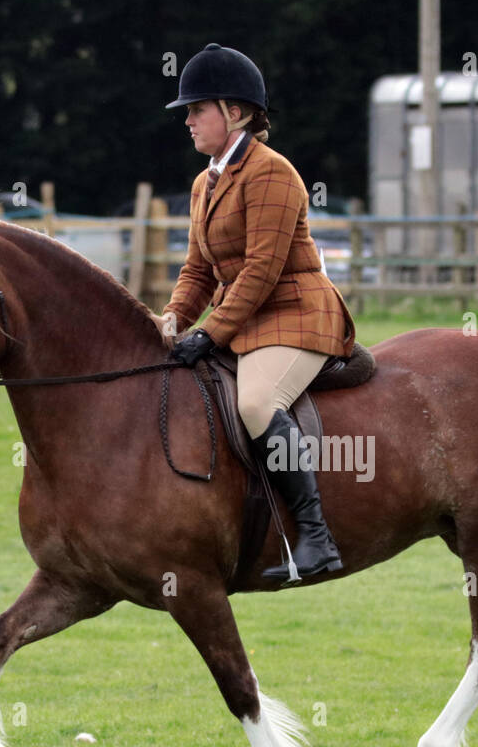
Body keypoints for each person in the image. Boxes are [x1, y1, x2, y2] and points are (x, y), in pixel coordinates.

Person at [152, 43, 356, 582]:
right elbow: (198, 270)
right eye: (188, 112)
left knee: (259, 403)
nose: (188, 121)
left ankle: (316, 539)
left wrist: (211, 332)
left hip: (295, 312)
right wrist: (173, 320)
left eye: (197, 110)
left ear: (235, 113)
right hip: (249, 316)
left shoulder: (272, 173)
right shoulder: (205, 183)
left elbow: (263, 270)